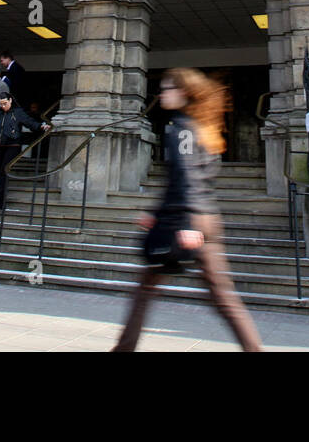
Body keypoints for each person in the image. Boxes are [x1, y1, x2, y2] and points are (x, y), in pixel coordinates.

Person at [112, 68, 263, 352]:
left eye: (167, 88)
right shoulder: (203, 127)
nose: (161, 94)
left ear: (182, 93)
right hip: (207, 218)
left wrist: (186, 223)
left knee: (145, 292)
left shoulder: (179, 127)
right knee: (223, 298)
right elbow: (191, 178)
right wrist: (157, 214)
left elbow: (184, 177)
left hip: (187, 220)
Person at [0, 94, 50, 211]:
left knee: (3, 172)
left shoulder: (18, 112)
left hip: (12, 146)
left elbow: (29, 121)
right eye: (0, 104)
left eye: (5, 103)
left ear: (10, 100)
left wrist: (41, 126)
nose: (3, 106)